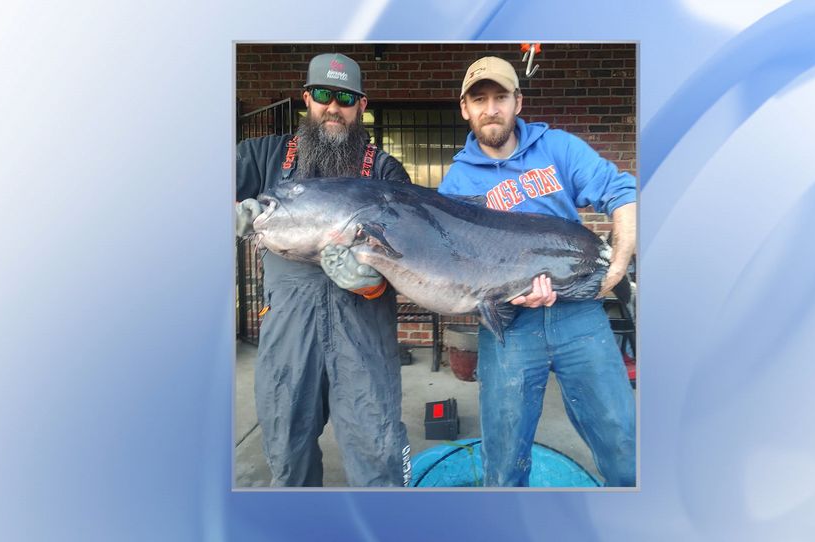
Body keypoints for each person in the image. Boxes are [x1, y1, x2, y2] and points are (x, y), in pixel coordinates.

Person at [438, 56, 637, 487]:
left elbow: (623, 190)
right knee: (505, 460)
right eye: (480, 99)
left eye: (500, 97)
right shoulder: (455, 184)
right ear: (465, 109)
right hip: (511, 328)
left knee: (623, 444)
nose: (491, 108)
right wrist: (506, 295)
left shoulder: (558, 148)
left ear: (517, 102)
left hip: (579, 317)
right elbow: (458, 272)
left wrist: (617, 268)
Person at [235, 53, 412, 487]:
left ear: (362, 106)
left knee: (379, 454)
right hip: (289, 331)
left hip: (363, 331)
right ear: (307, 99)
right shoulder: (263, 156)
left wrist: (373, 283)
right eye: (324, 95)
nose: (334, 107)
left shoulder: (386, 171)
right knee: (287, 451)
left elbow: (411, 253)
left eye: (345, 98)